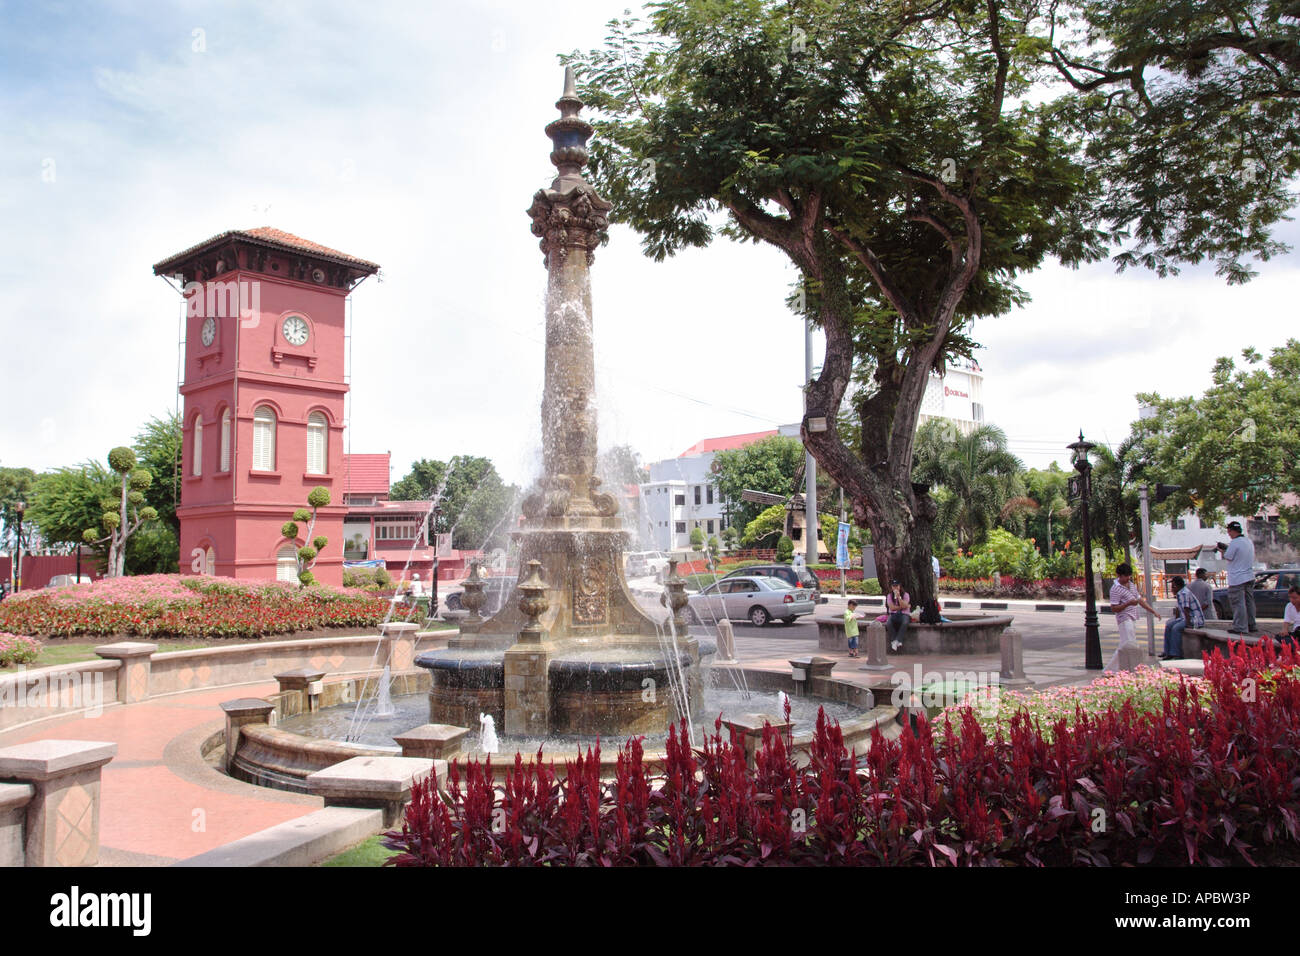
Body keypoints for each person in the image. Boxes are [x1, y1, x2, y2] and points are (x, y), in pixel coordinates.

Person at [1106, 562, 1160, 671]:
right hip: (1124, 618)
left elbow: (1139, 600)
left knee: (1125, 644)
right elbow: (1114, 608)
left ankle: (1114, 669)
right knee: (1128, 643)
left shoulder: (1131, 585)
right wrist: (1128, 604)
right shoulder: (1115, 589)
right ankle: (1117, 668)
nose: (1127, 578)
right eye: (1125, 576)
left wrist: (1152, 611)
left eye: (1129, 576)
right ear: (1119, 576)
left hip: (1133, 617)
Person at [1216, 521, 1257, 634]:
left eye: (1229, 531)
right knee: (1249, 602)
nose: (1228, 533)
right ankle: (1251, 624)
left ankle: (1240, 627)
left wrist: (1223, 550)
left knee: (1238, 603)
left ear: (1232, 531)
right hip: (1249, 575)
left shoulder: (1234, 542)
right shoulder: (1248, 541)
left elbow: (1228, 556)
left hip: (1237, 578)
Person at [1161, 575, 1204, 660]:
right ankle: (1167, 651)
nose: (1172, 589)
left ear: (1178, 586)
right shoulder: (1180, 593)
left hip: (1194, 619)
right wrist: (1176, 619)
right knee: (1169, 625)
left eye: (1173, 586)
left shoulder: (1184, 593)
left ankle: (1176, 653)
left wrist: (1188, 624)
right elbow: (1179, 610)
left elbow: (1186, 609)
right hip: (1184, 617)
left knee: (1176, 628)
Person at [886, 580, 910, 651]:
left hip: (904, 613)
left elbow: (904, 605)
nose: (895, 588)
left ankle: (897, 640)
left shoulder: (905, 595)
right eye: (894, 586)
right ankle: (894, 640)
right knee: (889, 623)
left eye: (897, 586)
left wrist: (899, 597)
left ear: (899, 586)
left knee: (905, 622)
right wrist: (903, 606)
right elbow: (892, 607)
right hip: (894, 614)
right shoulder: (889, 596)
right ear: (892, 587)